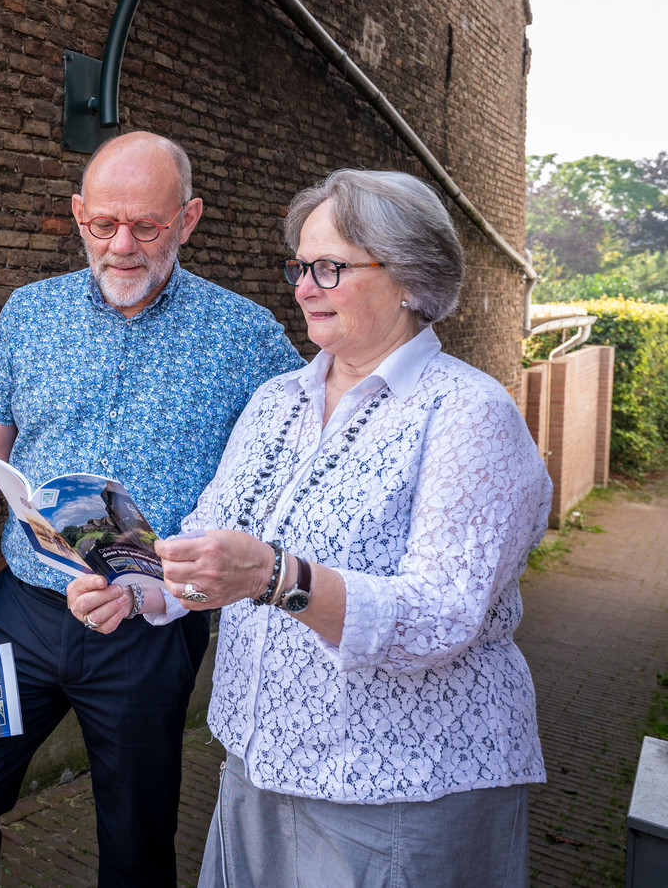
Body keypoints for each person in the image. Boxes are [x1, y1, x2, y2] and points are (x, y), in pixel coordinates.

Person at [91, 168, 549, 886]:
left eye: (329, 268)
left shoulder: (468, 413)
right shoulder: (276, 400)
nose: (304, 288)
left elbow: (440, 615)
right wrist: (139, 590)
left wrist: (276, 577)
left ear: (410, 277)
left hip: (402, 789)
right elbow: (211, 539)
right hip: (257, 766)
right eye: (300, 267)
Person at [0, 131, 304, 888]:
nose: (122, 246)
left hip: (149, 629)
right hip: (18, 609)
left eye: (147, 226)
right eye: (103, 224)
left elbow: (292, 472)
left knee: (135, 843)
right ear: (78, 215)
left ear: (188, 219)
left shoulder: (248, 335)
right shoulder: (28, 313)